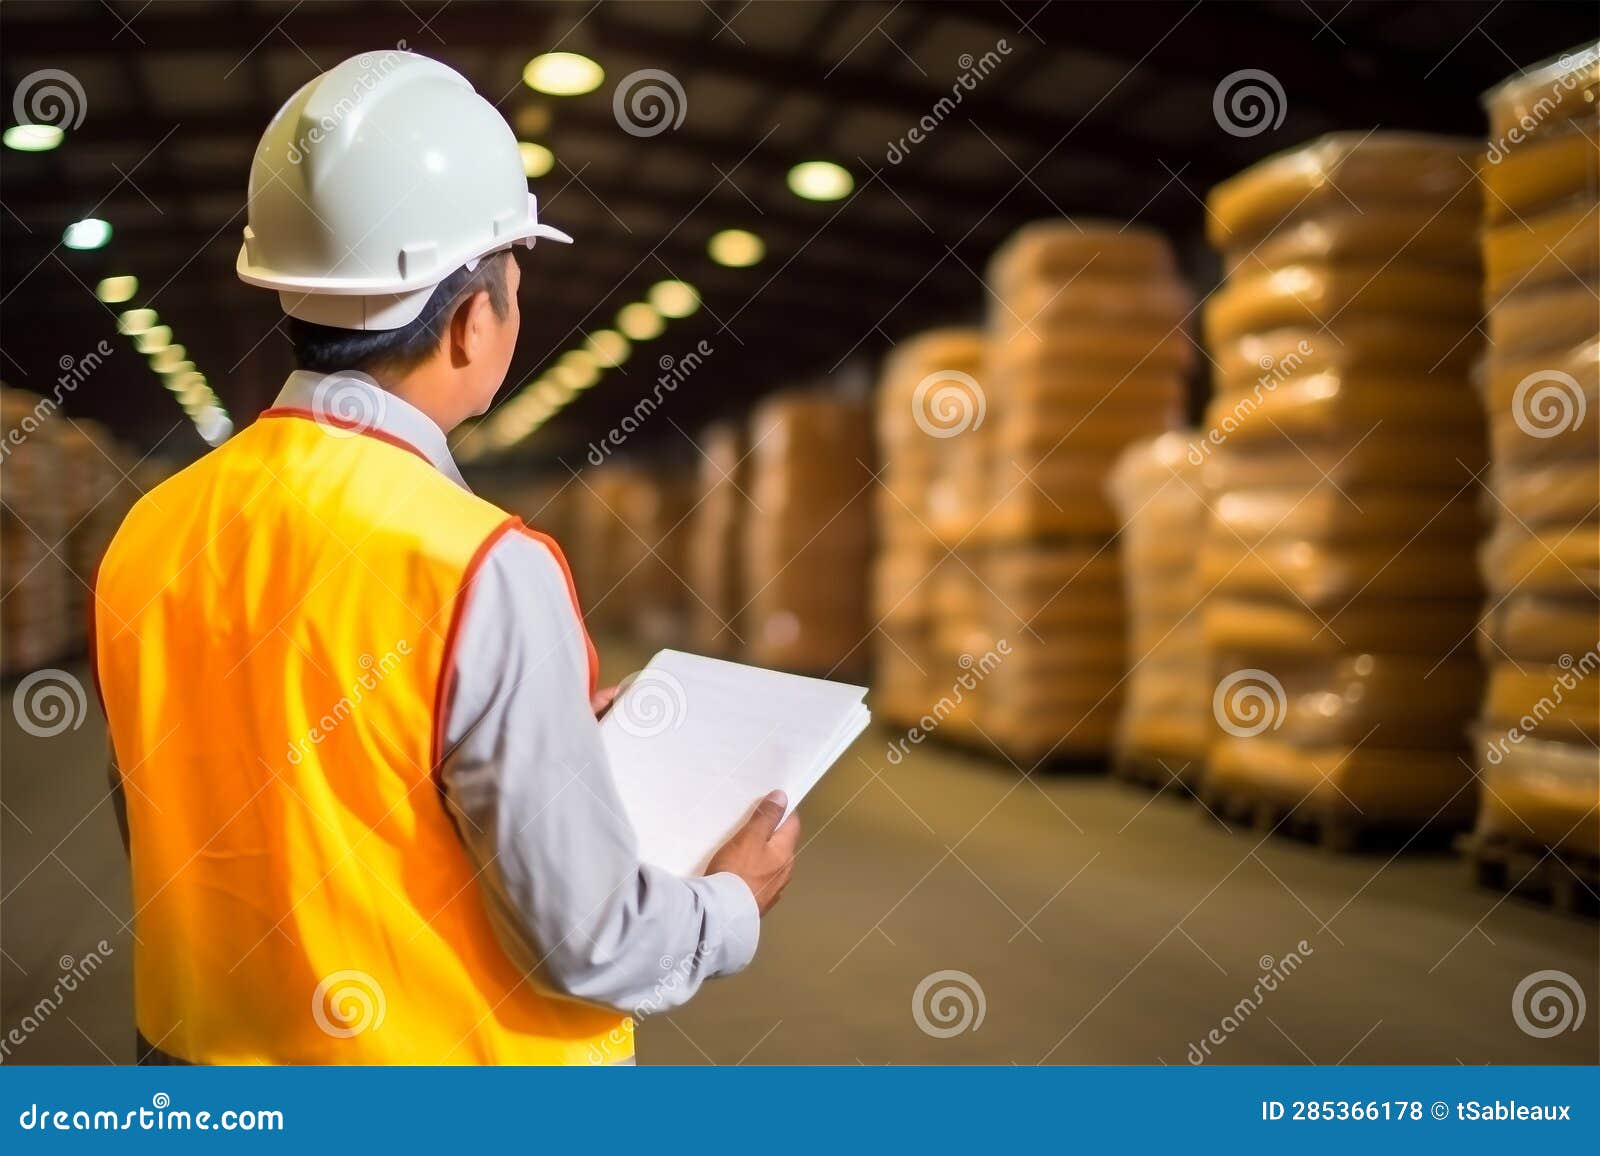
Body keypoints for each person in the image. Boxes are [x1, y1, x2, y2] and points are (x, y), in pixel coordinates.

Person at [92, 50, 798, 1066]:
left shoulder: (152, 528)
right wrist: (732, 901)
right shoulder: (475, 563)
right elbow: (590, 940)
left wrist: (528, 728)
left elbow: (200, 808)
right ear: (475, 320)